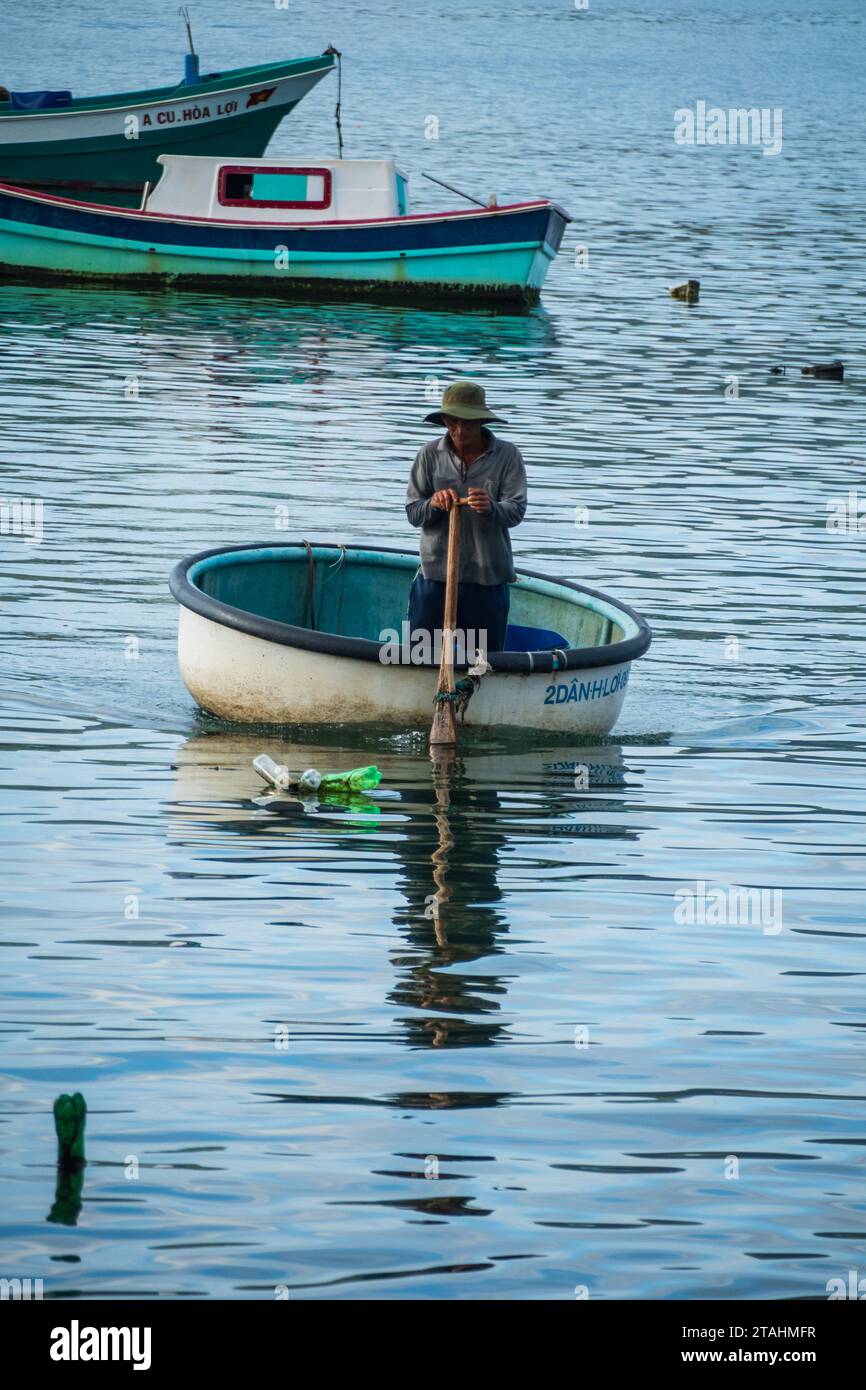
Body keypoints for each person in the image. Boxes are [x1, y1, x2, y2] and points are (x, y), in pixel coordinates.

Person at [405, 380, 526, 657]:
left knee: (482, 663)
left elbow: (516, 511)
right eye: (453, 422)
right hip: (435, 575)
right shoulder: (428, 455)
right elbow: (414, 513)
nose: (460, 430)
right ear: (445, 421)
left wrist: (490, 508)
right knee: (420, 658)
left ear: (482, 422)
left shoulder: (507, 455)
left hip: (487, 577)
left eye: (468, 423)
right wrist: (434, 504)